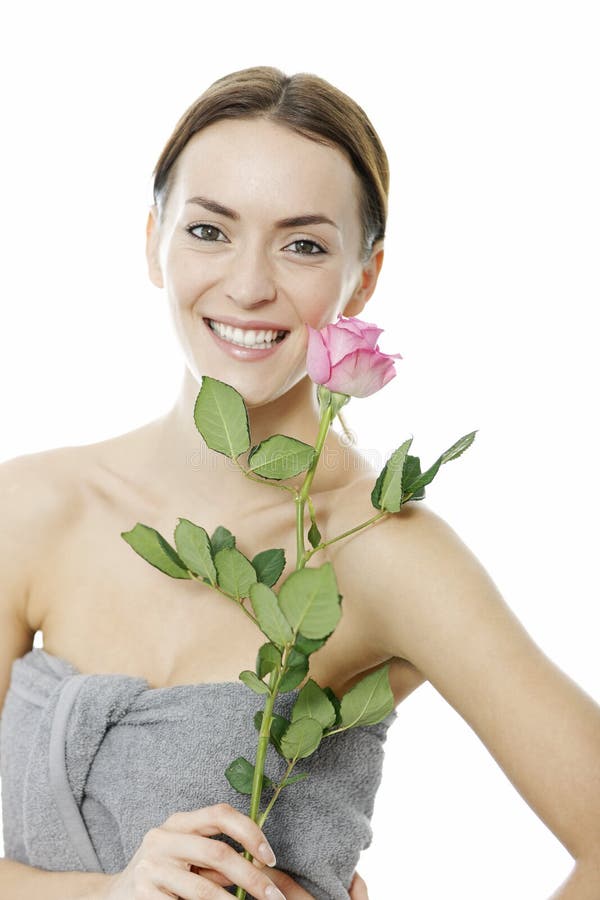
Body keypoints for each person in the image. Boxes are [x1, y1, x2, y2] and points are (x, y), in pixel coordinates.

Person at [0, 64, 599, 899]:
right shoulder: (29, 509)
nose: (248, 285)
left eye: (304, 245)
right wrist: (104, 895)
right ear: (152, 241)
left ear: (365, 276)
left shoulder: (382, 549)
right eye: (209, 231)